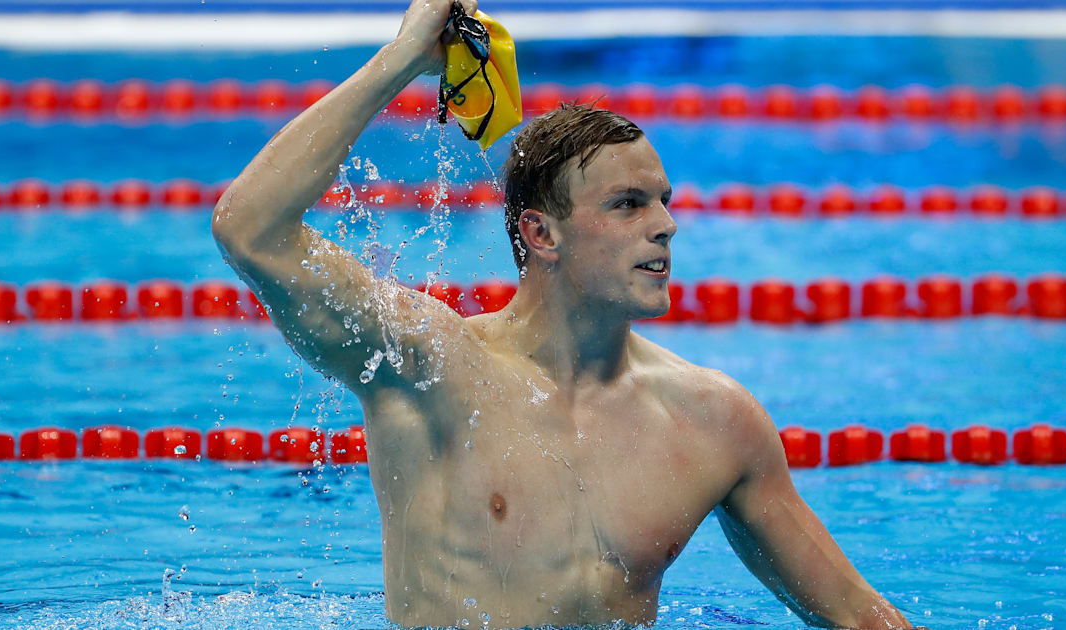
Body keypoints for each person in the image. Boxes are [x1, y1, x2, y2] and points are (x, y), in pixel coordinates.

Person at [211, 1, 925, 627]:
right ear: (541, 234)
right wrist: (401, 61)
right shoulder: (430, 367)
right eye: (628, 204)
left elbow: (860, 617)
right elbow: (250, 228)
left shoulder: (714, 421)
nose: (666, 225)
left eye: (664, 200)